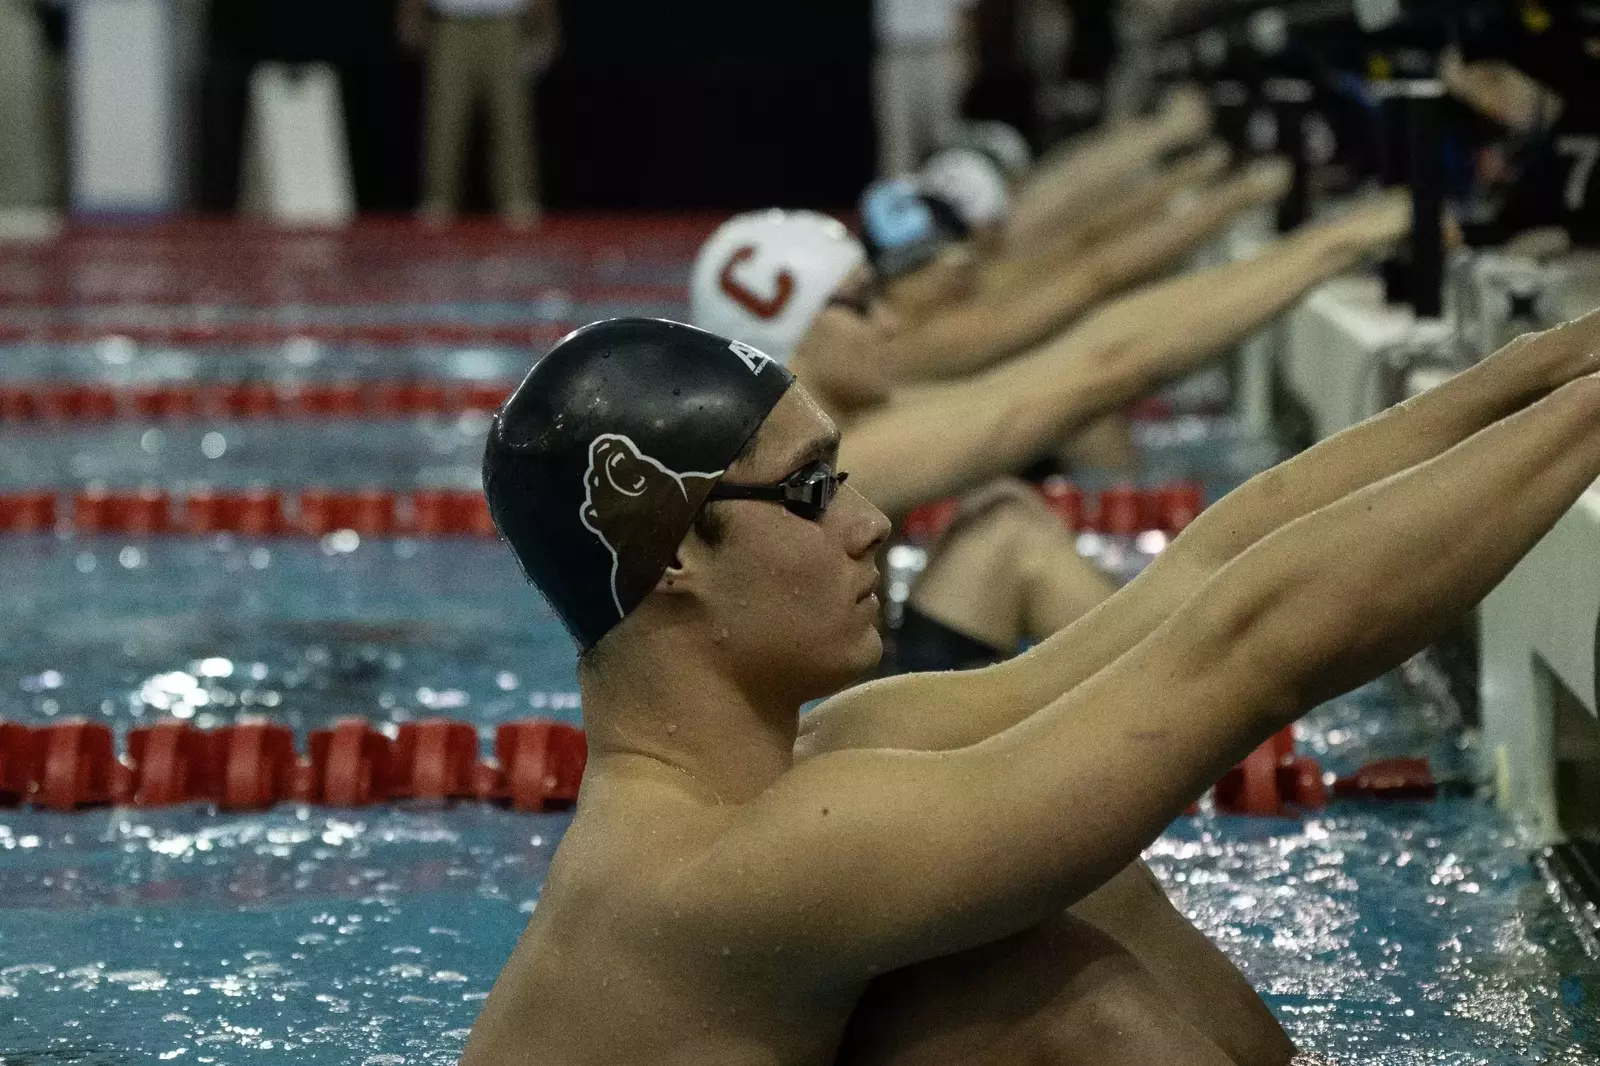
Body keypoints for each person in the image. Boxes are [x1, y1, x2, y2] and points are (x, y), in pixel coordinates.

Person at [465, 312, 1600, 1065]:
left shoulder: (835, 757)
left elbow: (1201, 580)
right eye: (812, 492)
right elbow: (1256, 651)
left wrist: (1555, 363)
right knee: (1061, 1008)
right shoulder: (720, 878)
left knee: (1070, 905)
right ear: (674, 555)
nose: (873, 524)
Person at [397, 0, 557, 225]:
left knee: (512, 119)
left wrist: (546, 26)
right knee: (445, 119)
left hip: (506, 24)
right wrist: (409, 17)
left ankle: (519, 203)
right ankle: (438, 203)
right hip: (451, 24)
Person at [875, 0, 977, 177]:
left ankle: (944, 198)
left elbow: (965, 11)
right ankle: (899, 201)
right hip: (896, 52)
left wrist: (967, 54)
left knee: (943, 137)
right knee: (898, 142)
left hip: (940, 50)